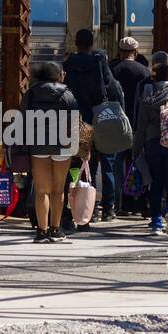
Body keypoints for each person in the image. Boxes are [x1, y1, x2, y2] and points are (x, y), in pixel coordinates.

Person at [62, 28, 123, 223]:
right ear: (92, 43)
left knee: (80, 164)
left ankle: (87, 208)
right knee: (107, 164)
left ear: (76, 43)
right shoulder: (99, 63)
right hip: (101, 119)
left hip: (78, 121)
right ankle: (108, 209)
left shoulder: (68, 65)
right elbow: (113, 89)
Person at [21, 62, 79, 244]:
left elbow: (22, 119)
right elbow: (75, 122)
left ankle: (41, 231)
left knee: (41, 190)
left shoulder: (30, 94)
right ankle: (56, 229)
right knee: (58, 190)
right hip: (62, 145)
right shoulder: (67, 94)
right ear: (58, 75)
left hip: (38, 145)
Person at [132, 60, 168, 237]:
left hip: (152, 142)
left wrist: (137, 149)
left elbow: (141, 125)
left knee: (156, 181)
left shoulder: (146, 94)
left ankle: (156, 219)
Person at [111, 37, 151, 215]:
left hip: (116, 124)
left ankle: (118, 204)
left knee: (117, 164)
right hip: (136, 124)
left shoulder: (112, 70)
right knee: (137, 163)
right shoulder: (144, 71)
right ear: (135, 52)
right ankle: (137, 201)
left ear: (120, 52)